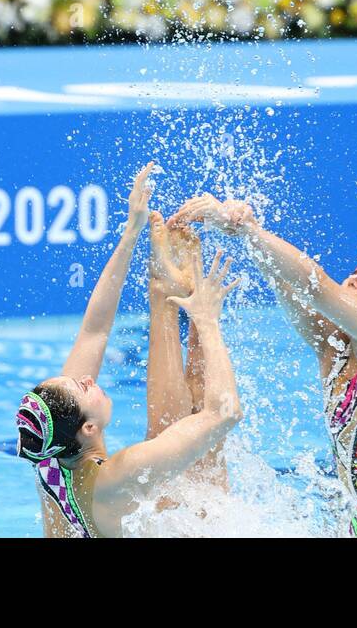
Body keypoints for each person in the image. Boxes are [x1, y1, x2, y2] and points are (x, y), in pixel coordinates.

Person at [169, 194, 357, 539]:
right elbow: (291, 286)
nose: (356, 277)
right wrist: (245, 229)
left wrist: (248, 229)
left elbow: (317, 287)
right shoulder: (336, 350)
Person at [15, 166, 242, 539]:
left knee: (185, 473)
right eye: (83, 388)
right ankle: (171, 295)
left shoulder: (51, 457)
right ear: (88, 429)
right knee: (199, 483)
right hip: (127, 510)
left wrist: (130, 232)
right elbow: (225, 413)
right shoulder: (115, 479)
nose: (88, 379)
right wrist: (207, 323)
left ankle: (165, 292)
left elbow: (94, 331)